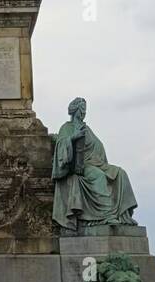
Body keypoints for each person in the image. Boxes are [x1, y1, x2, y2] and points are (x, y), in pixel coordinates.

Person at [51, 97, 138, 233]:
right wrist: (73, 137)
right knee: (98, 177)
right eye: (82, 110)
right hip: (81, 165)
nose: (84, 113)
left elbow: (98, 147)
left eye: (85, 110)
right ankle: (106, 216)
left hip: (97, 163)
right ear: (75, 111)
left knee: (120, 173)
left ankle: (123, 215)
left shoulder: (87, 129)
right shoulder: (67, 127)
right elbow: (61, 146)